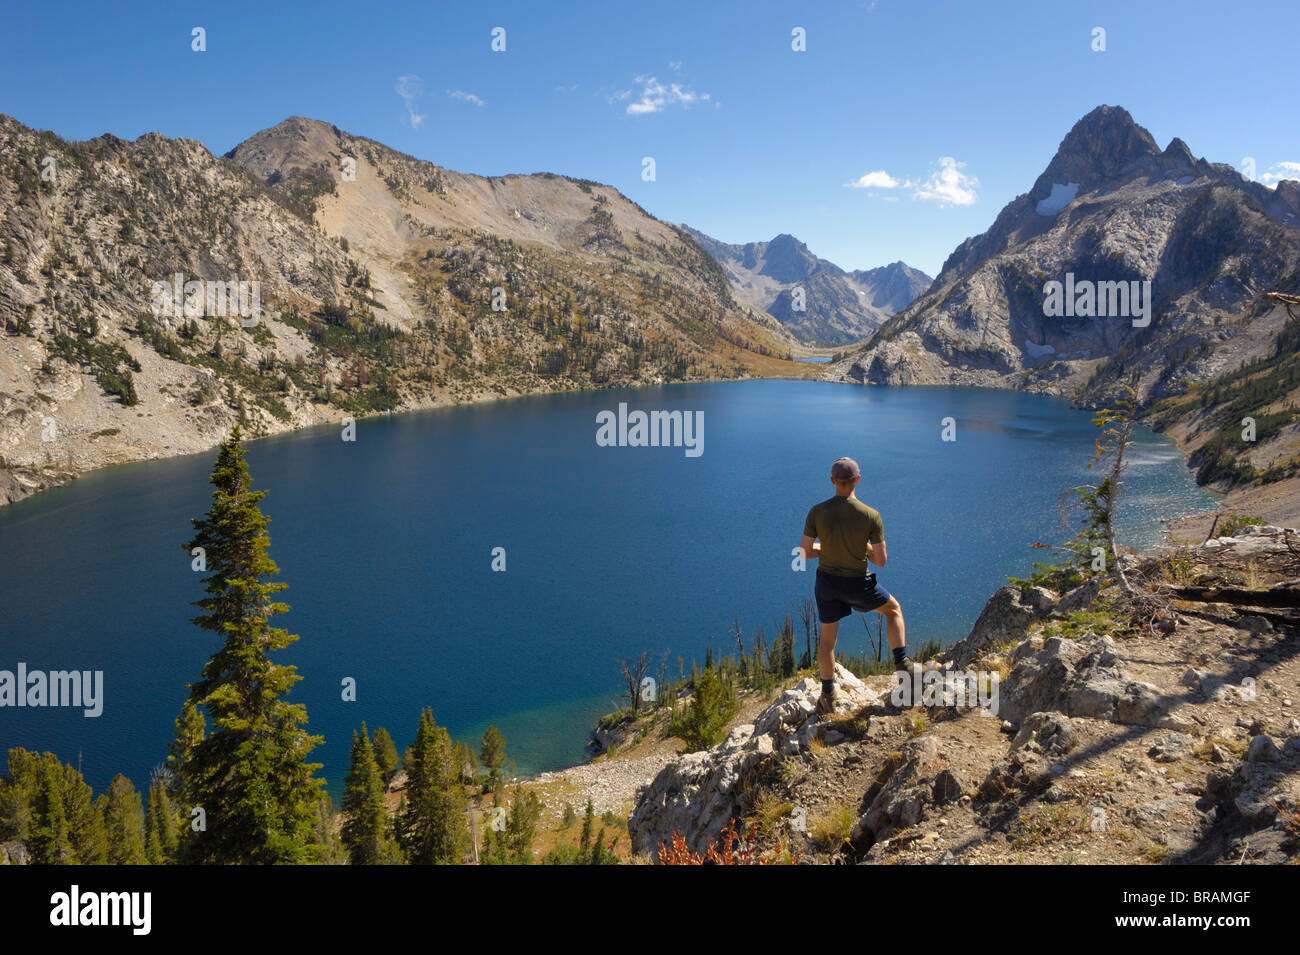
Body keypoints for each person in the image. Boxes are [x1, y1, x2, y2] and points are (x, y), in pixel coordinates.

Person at [799, 456, 915, 716]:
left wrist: (826, 547)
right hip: (858, 584)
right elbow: (880, 561)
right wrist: (864, 547)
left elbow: (805, 553)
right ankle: (903, 665)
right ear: (857, 480)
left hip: (827, 584)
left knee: (827, 642)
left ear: (832, 481)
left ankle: (828, 695)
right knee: (893, 610)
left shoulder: (817, 512)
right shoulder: (870, 515)